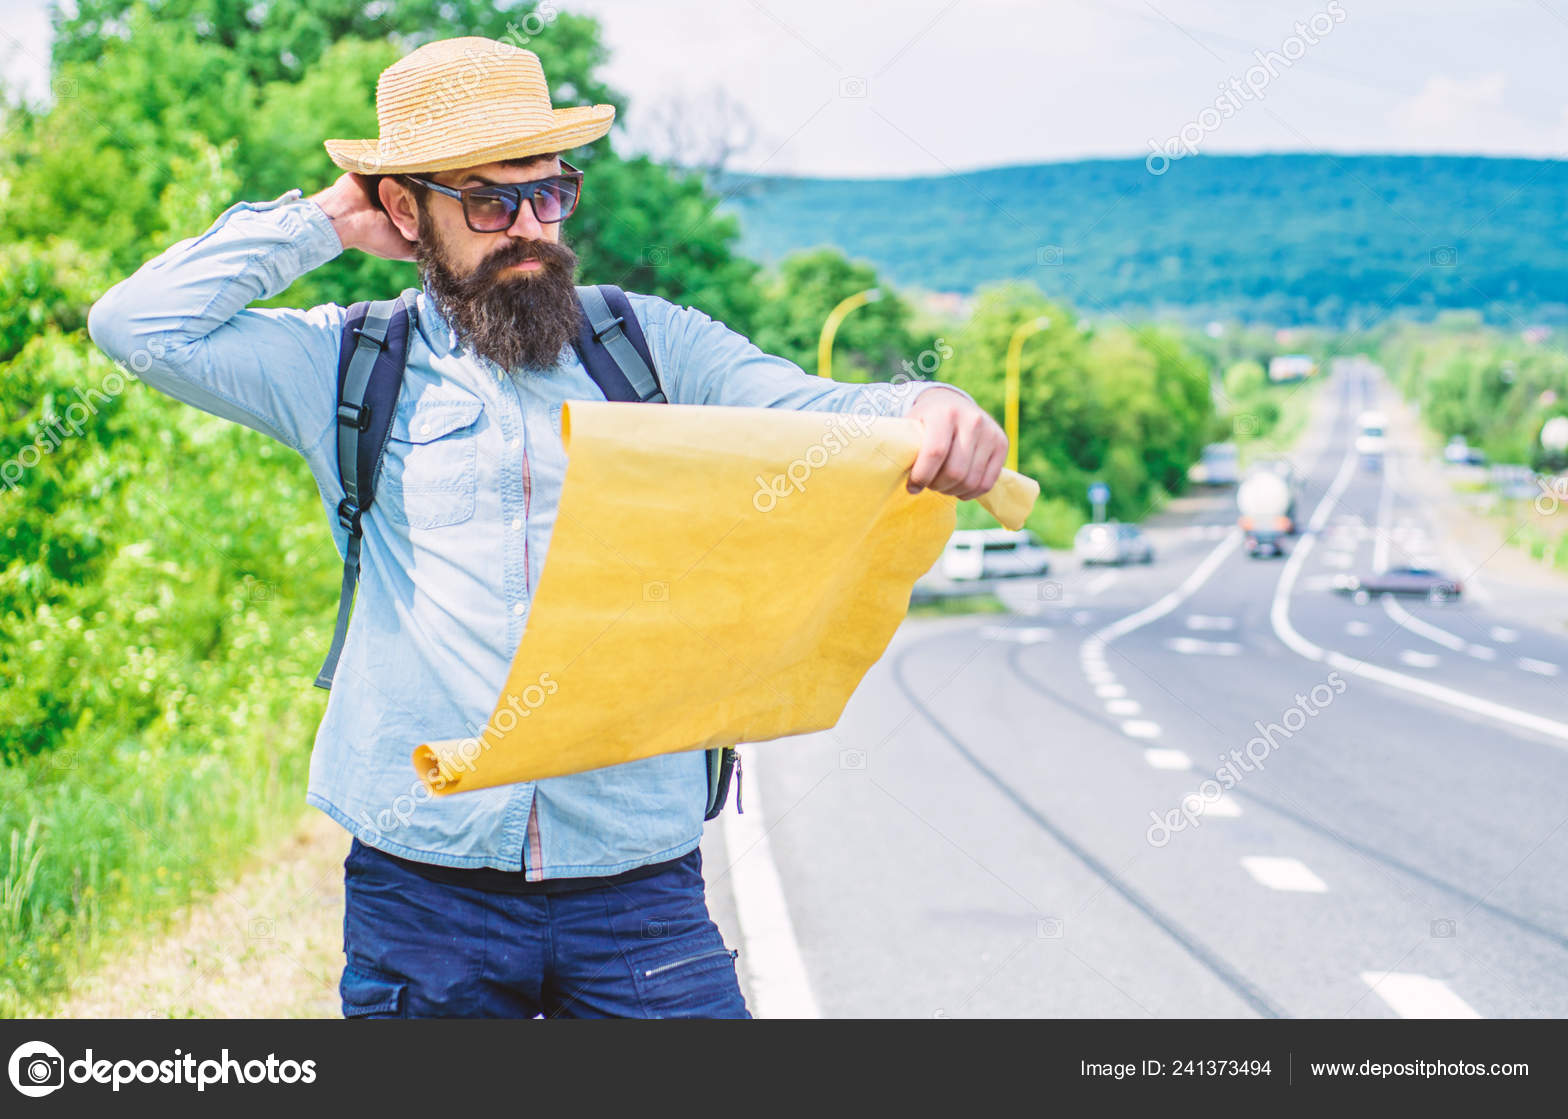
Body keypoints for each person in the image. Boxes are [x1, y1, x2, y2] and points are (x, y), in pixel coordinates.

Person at [87, 37, 1008, 1019]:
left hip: (638, 893)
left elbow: (812, 410)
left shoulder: (651, 347)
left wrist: (929, 405)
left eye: (550, 193)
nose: (531, 228)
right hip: (422, 894)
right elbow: (136, 325)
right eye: (489, 201)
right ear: (407, 210)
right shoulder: (344, 366)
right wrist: (324, 220)